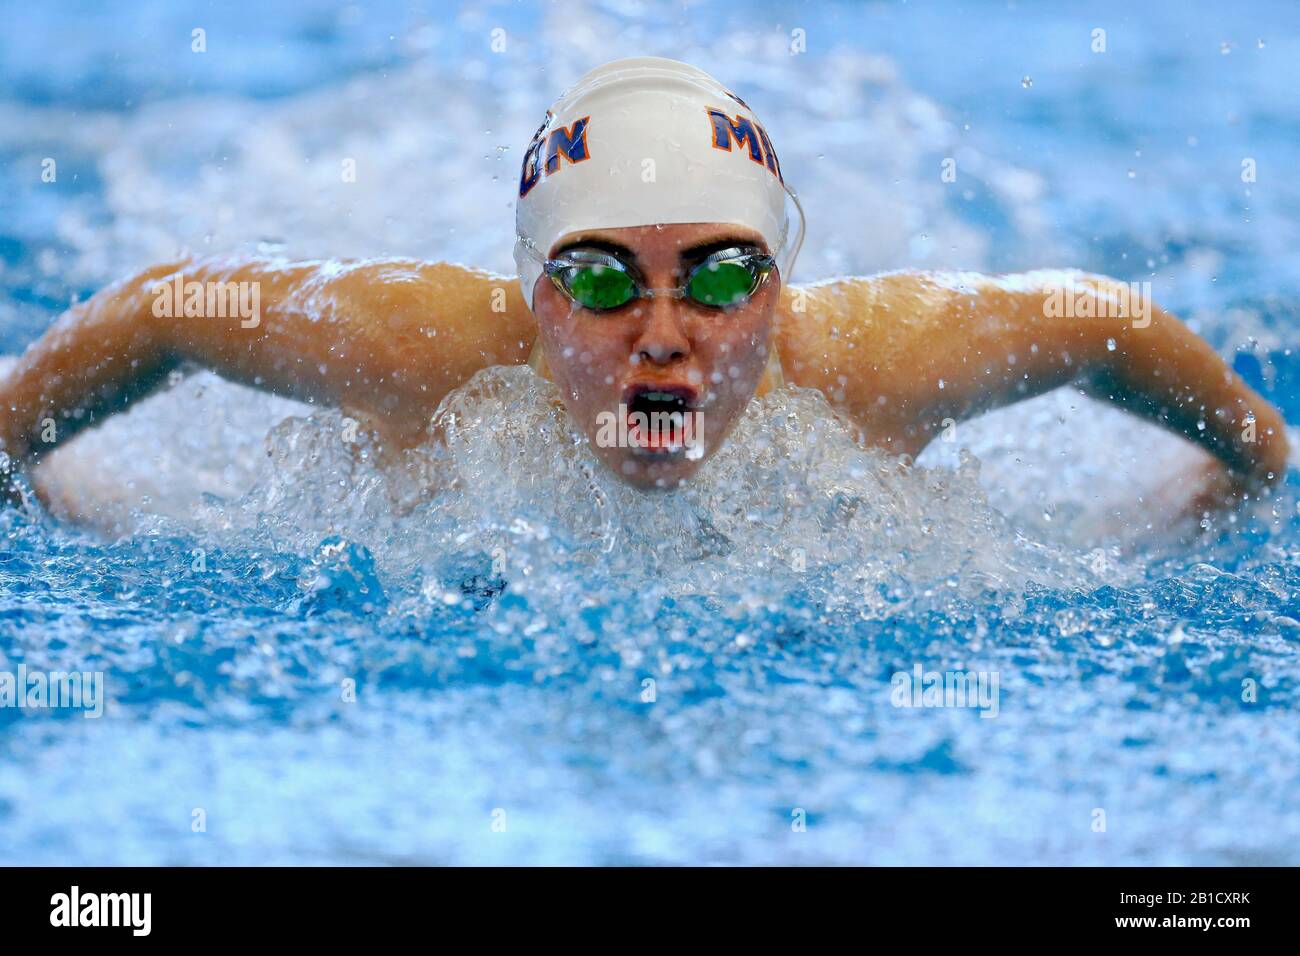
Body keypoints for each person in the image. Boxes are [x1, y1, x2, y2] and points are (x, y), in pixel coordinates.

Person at [0, 57, 1287, 518]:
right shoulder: (422, 348)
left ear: (782, 292)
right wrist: (21, 457)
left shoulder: (874, 365)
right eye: (601, 279)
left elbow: (1100, 318)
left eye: (722, 276)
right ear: (530, 293)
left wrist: (1251, 462)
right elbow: (172, 303)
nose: (663, 335)